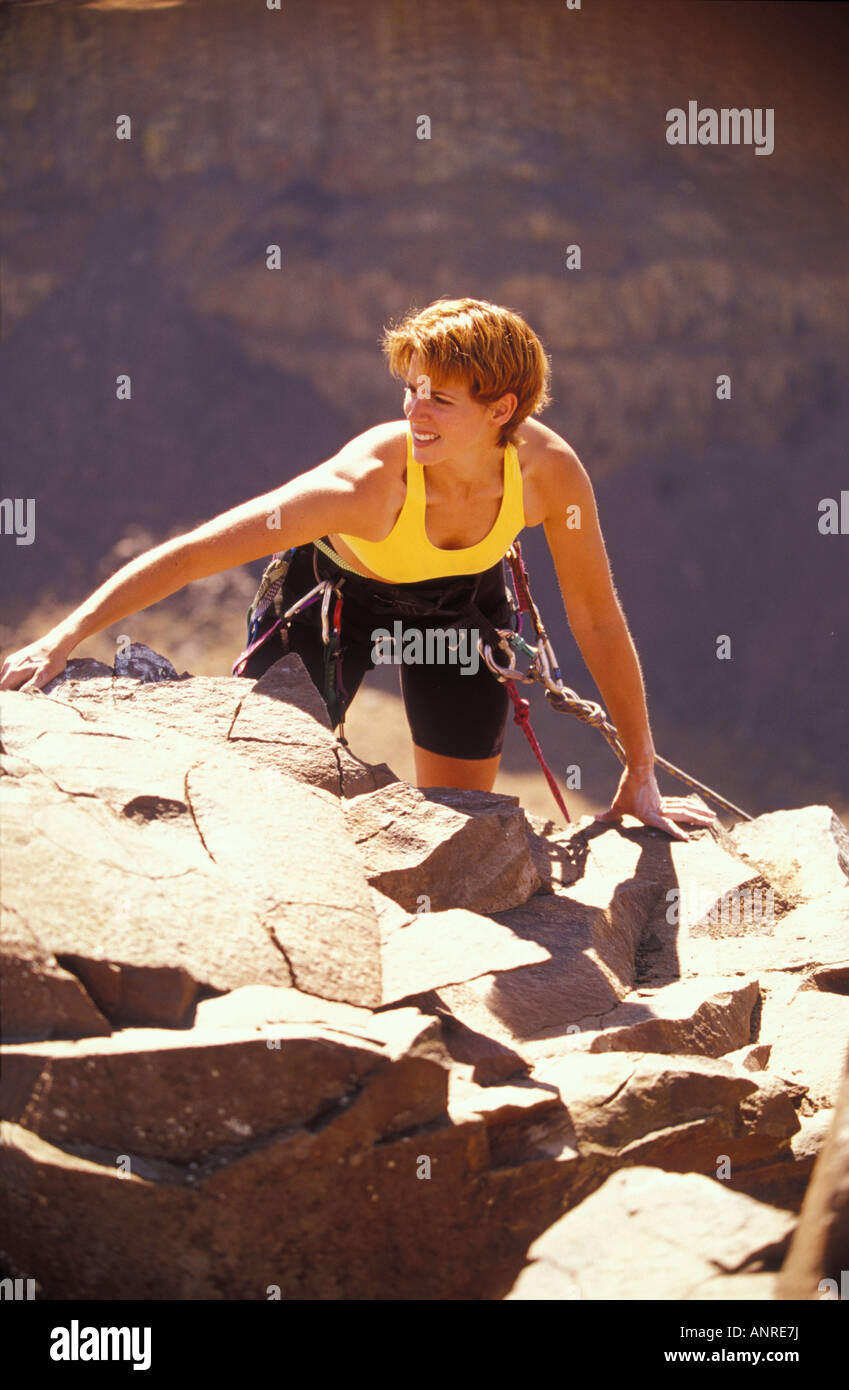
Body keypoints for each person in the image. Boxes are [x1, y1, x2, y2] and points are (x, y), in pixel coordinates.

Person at [0, 297, 715, 841]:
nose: (415, 411)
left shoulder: (548, 476)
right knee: (259, 789)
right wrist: (61, 638)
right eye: (411, 388)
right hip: (333, 601)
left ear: (502, 409)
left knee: (459, 820)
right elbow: (197, 551)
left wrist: (639, 770)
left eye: (439, 397)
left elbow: (594, 614)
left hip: (459, 611)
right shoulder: (367, 485)